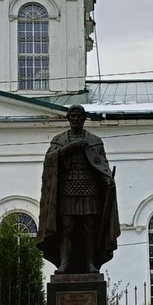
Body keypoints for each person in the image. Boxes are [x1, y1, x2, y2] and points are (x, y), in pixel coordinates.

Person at [37, 105, 120, 273]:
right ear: (68, 118)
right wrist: (70, 148)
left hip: (90, 190)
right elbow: (49, 162)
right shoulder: (59, 140)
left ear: (84, 119)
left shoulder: (94, 141)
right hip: (67, 190)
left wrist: (108, 180)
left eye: (79, 116)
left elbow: (102, 166)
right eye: (73, 116)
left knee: (89, 229)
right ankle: (65, 263)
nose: (76, 118)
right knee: (66, 228)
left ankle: (90, 263)